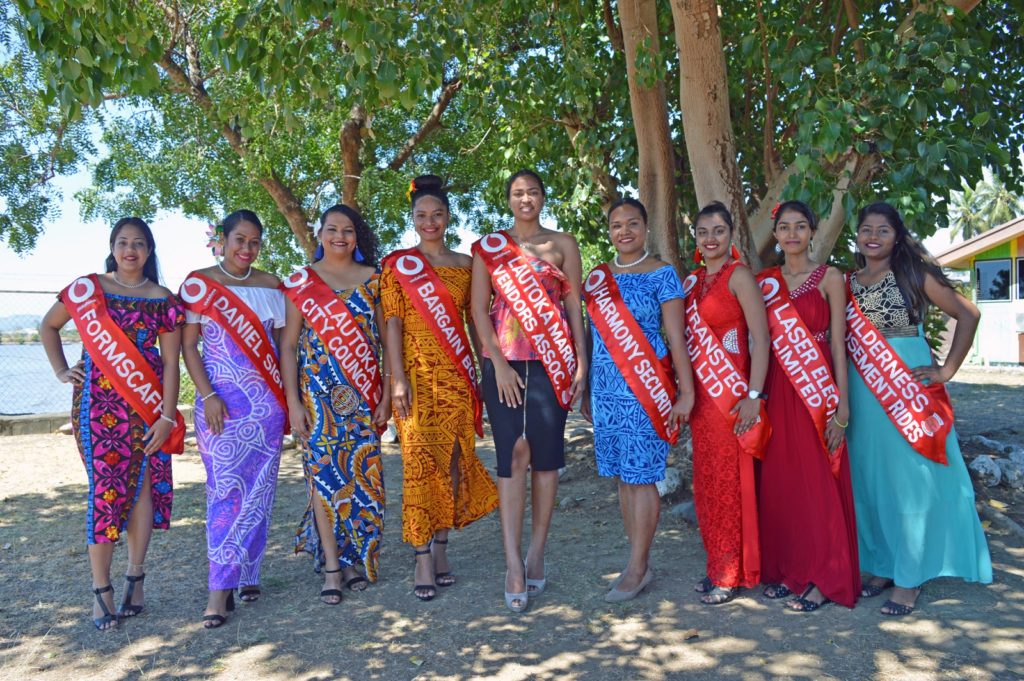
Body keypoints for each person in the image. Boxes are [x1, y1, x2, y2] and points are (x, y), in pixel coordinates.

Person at [847, 202, 991, 616]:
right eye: (866, 230)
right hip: (862, 389)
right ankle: (883, 564)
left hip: (905, 389)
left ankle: (909, 578)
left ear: (897, 236)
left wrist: (946, 369)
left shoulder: (913, 274)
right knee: (871, 481)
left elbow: (969, 313)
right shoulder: (848, 282)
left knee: (911, 482)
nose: (873, 236)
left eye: (883, 230)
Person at [40, 217, 184, 630]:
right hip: (95, 405)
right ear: (112, 246)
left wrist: (167, 415)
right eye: (123, 242)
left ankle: (135, 579)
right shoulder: (89, 290)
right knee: (105, 491)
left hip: (146, 405)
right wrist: (62, 370)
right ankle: (100, 591)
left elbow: (172, 362)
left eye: (139, 243)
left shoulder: (163, 298)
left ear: (150, 250)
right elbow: (49, 326)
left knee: (141, 491)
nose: (130, 250)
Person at [471, 169, 587, 612]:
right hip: (503, 363)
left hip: (551, 362)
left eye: (533, 192)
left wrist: (581, 361)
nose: (526, 199)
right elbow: (479, 311)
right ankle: (512, 562)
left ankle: (537, 551)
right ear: (508, 199)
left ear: (542, 197)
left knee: (546, 457)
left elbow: (573, 304)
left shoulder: (563, 244)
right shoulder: (490, 248)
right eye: (518, 193)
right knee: (512, 457)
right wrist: (497, 362)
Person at [381, 175, 499, 602]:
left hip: (456, 378)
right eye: (421, 215)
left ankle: (443, 549)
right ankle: (422, 556)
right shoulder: (398, 266)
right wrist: (396, 380)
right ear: (412, 219)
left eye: (437, 214)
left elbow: (475, 323)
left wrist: (489, 371)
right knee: (417, 466)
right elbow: (391, 325)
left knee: (451, 462)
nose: (429, 221)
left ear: (448, 217)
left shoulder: (467, 265)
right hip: (414, 379)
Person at [580, 198, 695, 602]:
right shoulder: (597, 278)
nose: (624, 231)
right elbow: (593, 338)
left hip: (647, 391)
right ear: (609, 231)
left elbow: (676, 337)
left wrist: (687, 391)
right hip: (607, 391)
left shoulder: (663, 274)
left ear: (646, 227)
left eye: (632, 223)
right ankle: (637, 558)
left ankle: (638, 565)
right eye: (616, 225)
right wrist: (586, 386)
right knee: (623, 479)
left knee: (643, 477)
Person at [180, 210, 287, 628]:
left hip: (267, 409)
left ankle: (249, 573)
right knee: (224, 493)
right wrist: (206, 395)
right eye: (239, 240)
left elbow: (281, 349)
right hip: (219, 407)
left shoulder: (272, 287)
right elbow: (190, 347)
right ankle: (218, 590)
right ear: (221, 240)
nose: (246, 249)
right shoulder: (199, 285)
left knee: (259, 492)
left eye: (254, 242)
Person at [279, 204, 391, 605]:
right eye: (331, 229)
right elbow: (289, 346)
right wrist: (293, 402)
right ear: (320, 234)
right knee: (323, 481)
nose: (339, 236)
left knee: (364, 481)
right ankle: (331, 565)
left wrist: (388, 391)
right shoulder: (301, 283)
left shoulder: (375, 280)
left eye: (347, 229)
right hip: (317, 399)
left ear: (357, 236)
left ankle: (356, 558)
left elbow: (385, 340)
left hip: (363, 396)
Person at [755, 201, 859, 612]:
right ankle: (789, 570)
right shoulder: (765, 281)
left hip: (817, 390)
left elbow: (838, 344)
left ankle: (823, 577)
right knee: (782, 483)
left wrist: (843, 407)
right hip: (780, 387)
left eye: (801, 226)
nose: (792, 234)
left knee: (818, 484)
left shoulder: (830, 277)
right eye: (784, 227)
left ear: (813, 231)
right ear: (775, 234)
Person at [685, 201, 771, 605]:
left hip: (732, 394)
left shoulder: (739, 277)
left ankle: (732, 571)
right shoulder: (692, 281)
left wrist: (754, 395)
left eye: (718, 230)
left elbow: (760, 338)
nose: (711, 238)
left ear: (731, 234)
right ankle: (716, 564)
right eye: (703, 232)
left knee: (731, 482)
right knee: (707, 483)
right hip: (702, 399)